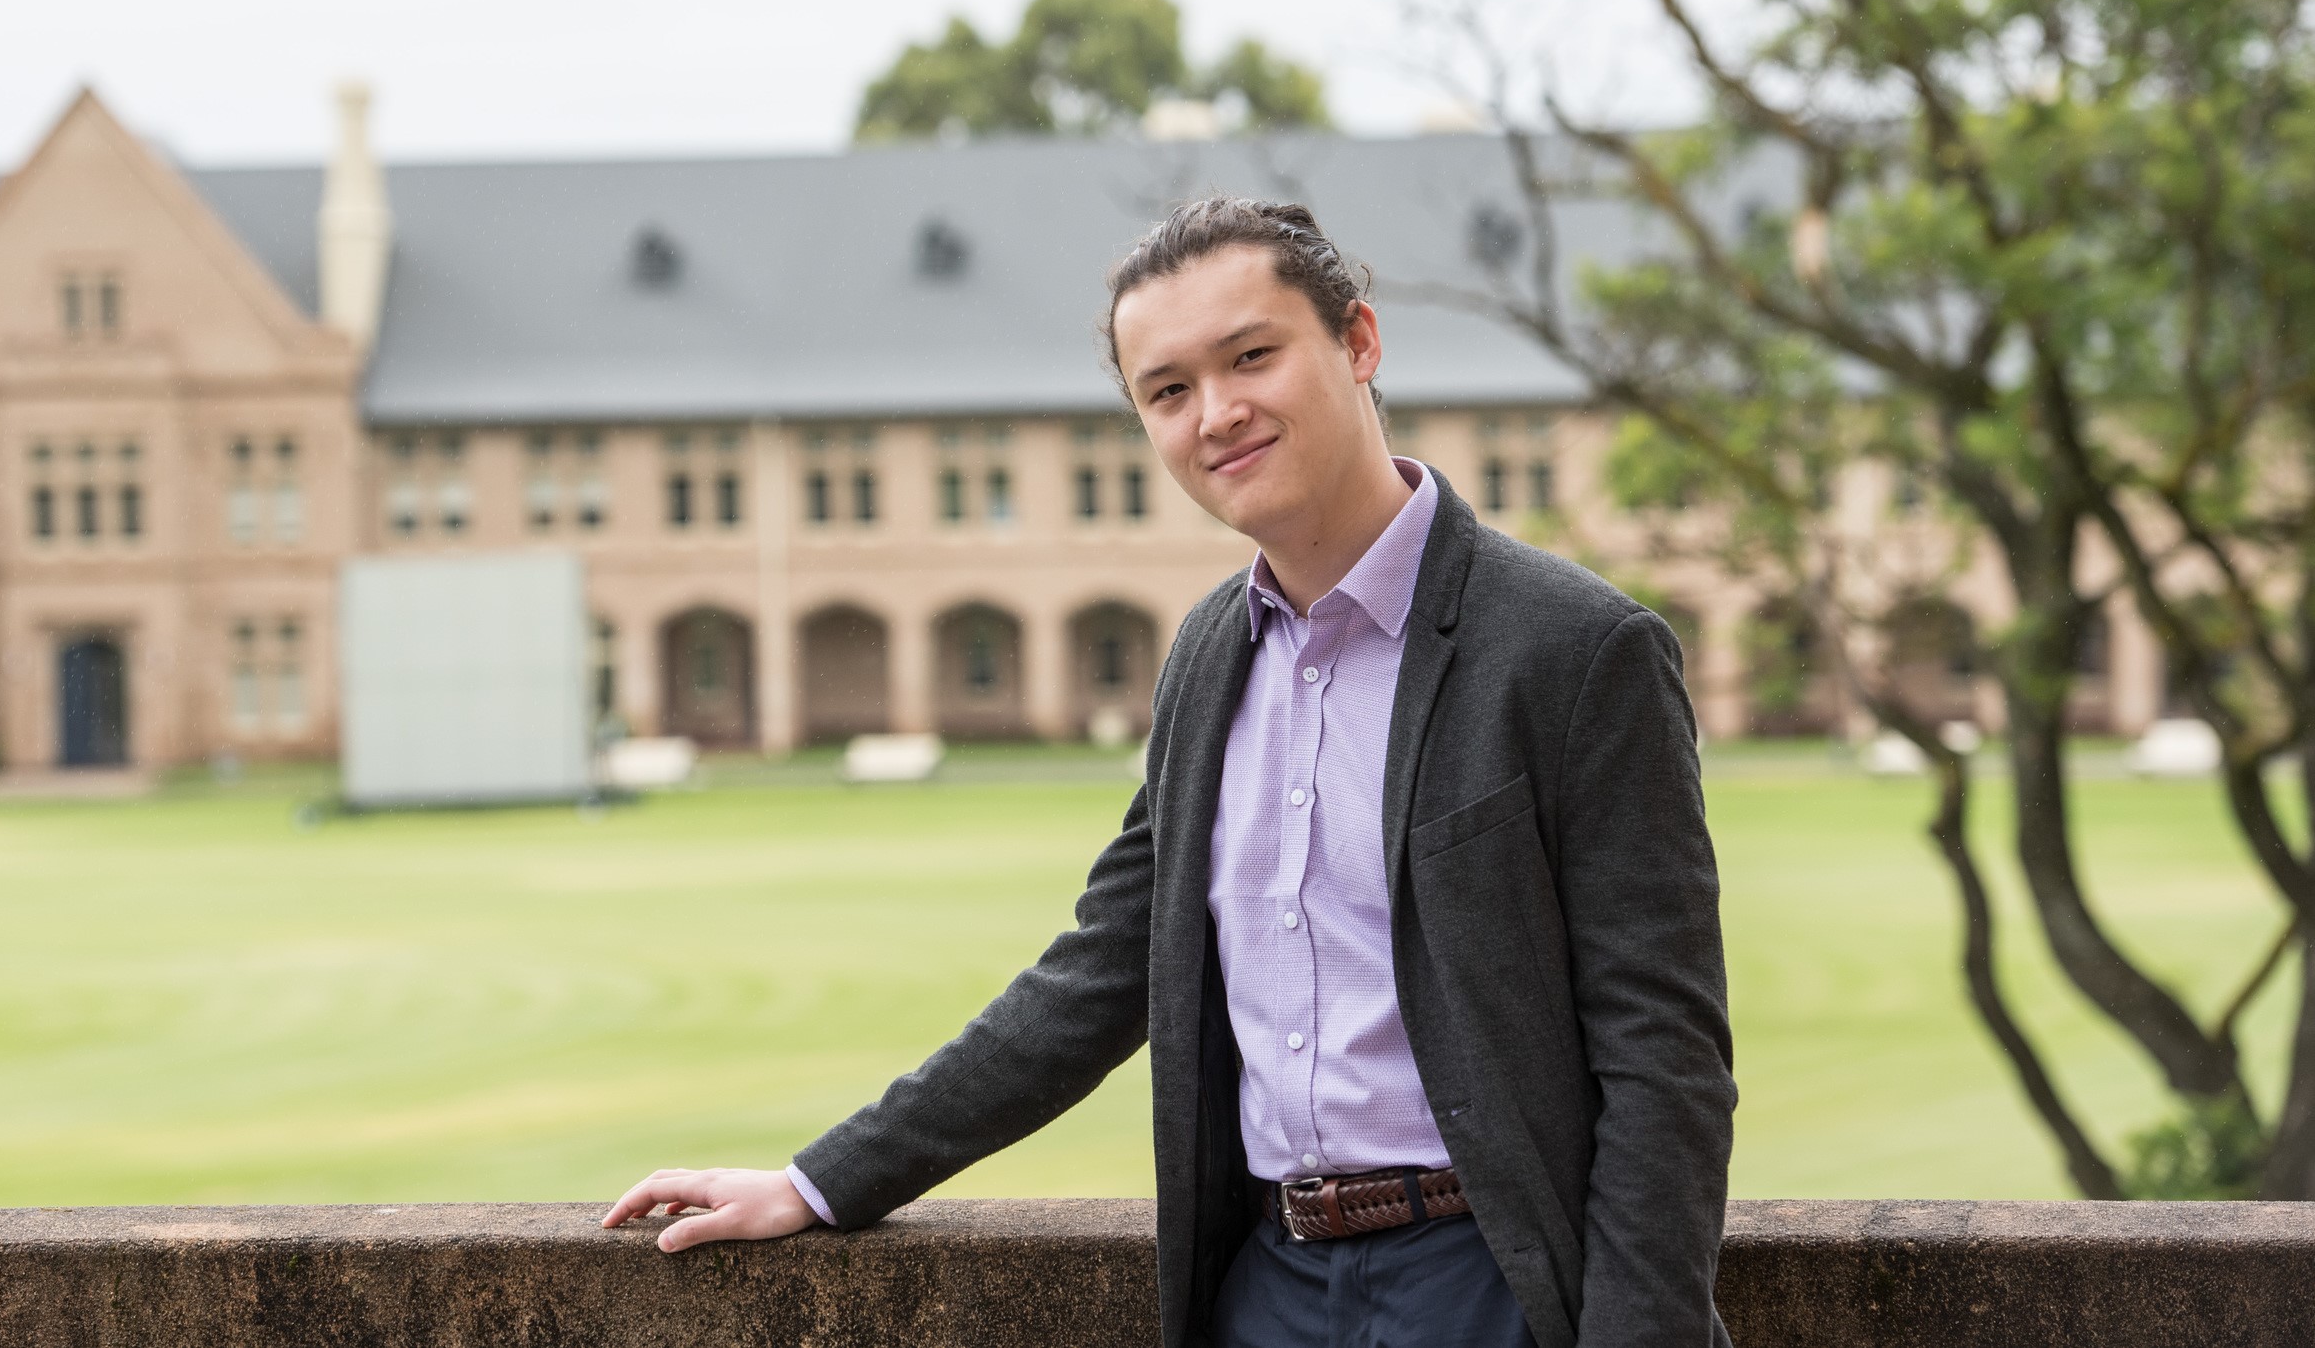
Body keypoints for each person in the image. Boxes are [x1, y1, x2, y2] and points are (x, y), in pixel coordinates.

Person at [604, 197, 1735, 1348]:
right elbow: (1100, 971)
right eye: (1168, 389)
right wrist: (818, 1182)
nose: (1217, 414)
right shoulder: (1206, 656)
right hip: (1265, 1290)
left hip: (1487, 1282)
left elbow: (1663, 1053)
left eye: (1251, 356)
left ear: (1356, 343)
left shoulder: (1574, 650)